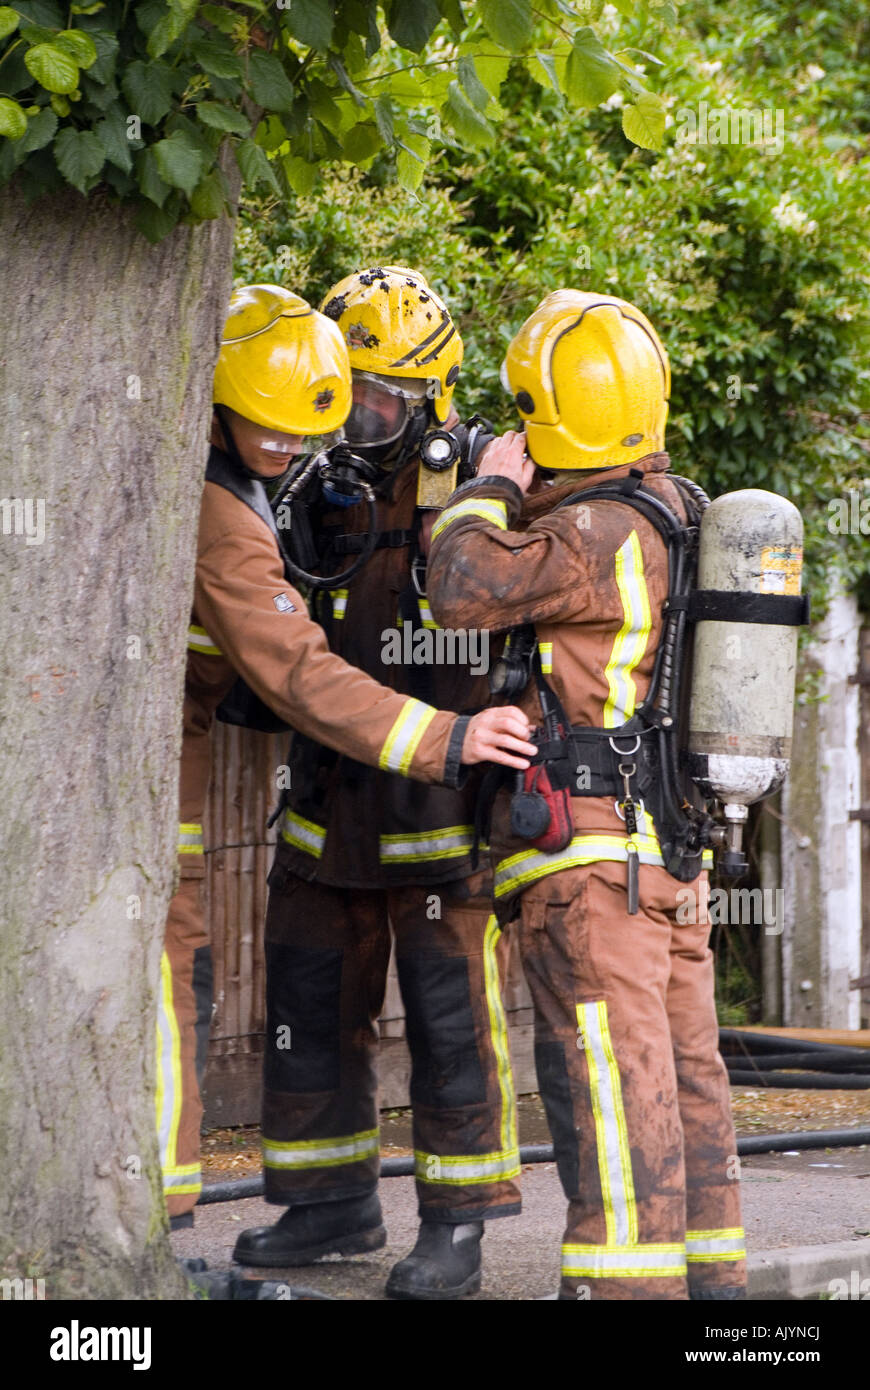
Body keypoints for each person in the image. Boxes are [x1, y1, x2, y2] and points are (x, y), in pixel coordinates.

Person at [161, 283, 534, 1233]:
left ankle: (458, 1221)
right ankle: (326, 1206)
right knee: (310, 1007)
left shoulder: (484, 495)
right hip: (330, 795)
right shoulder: (307, 481)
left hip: (446, 803)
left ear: (435, 403)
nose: (358, 426)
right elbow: (285, 659)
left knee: (452, 1023)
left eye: (385, 404)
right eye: (347, 398)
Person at [425, 289, 746, 1301]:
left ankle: (625, 1290)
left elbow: (461, 588)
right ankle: (714, 1285)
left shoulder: (593, 532)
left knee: (612, 1077)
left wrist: (482, 487)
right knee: (689, 1068)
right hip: (674, 859)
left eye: (529, 413)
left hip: (590, 859)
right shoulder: (686, 517)